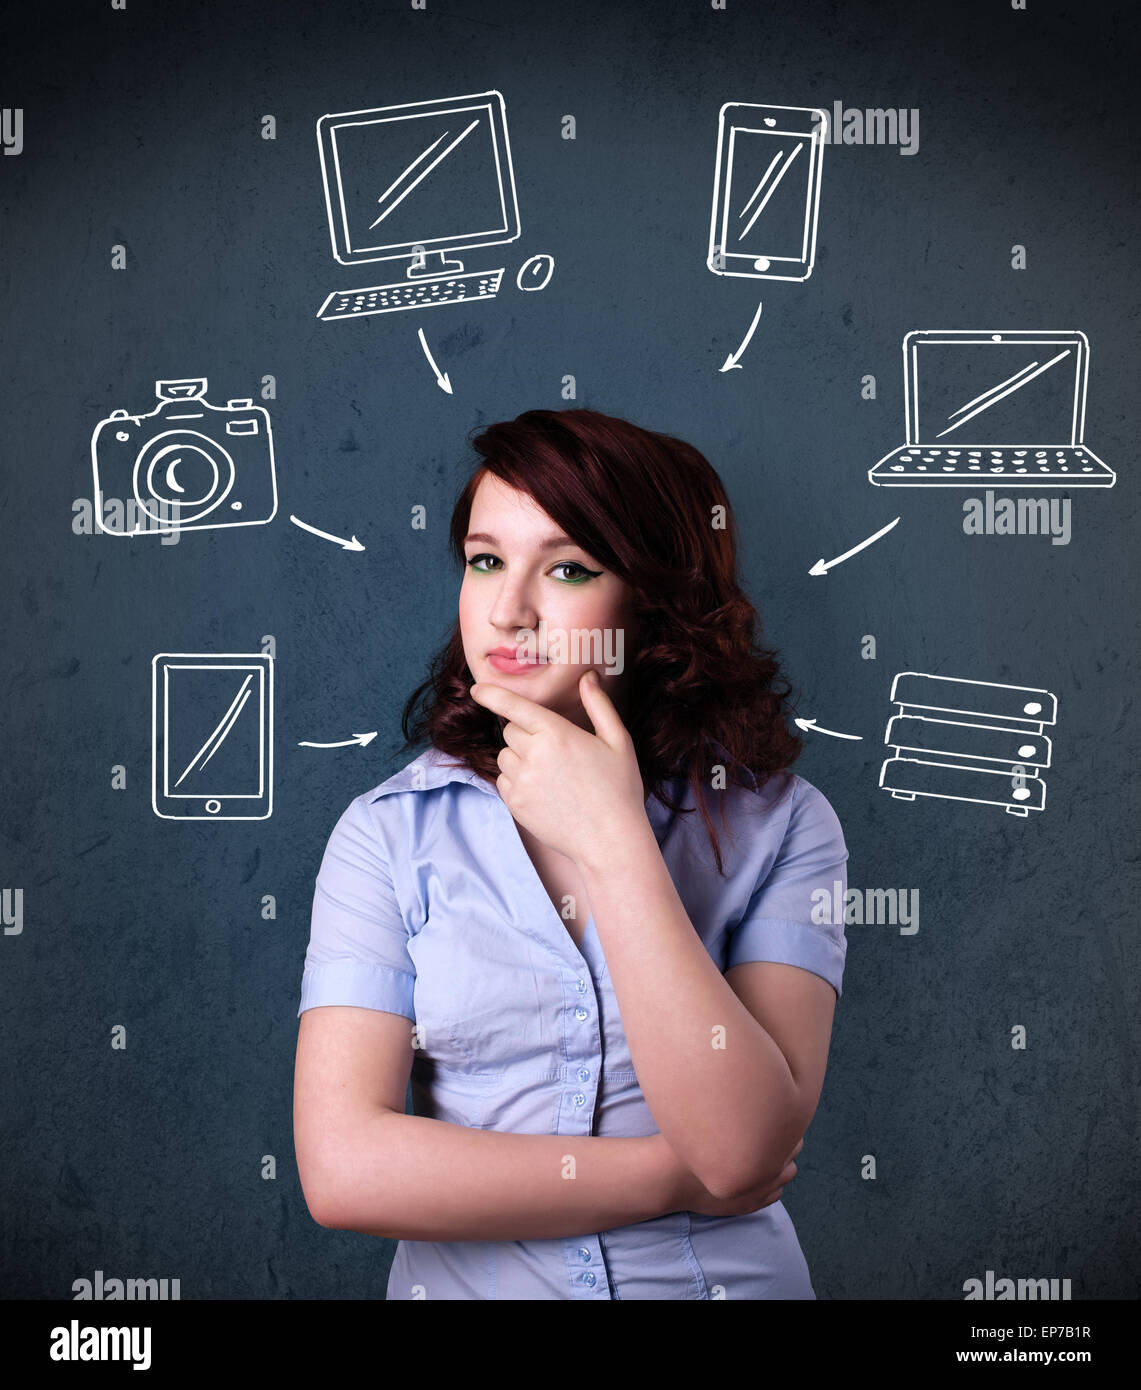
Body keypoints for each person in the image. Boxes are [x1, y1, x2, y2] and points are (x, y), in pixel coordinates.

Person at [293, 407, 849, 1299]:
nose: (507, 609)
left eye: (566, 568)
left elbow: (743, 1145)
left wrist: (614, 842)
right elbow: (342, 1168)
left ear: (654, 600)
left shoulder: (783, 824)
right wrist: (670, 1178)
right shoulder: (387, 833)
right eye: (484, 561)